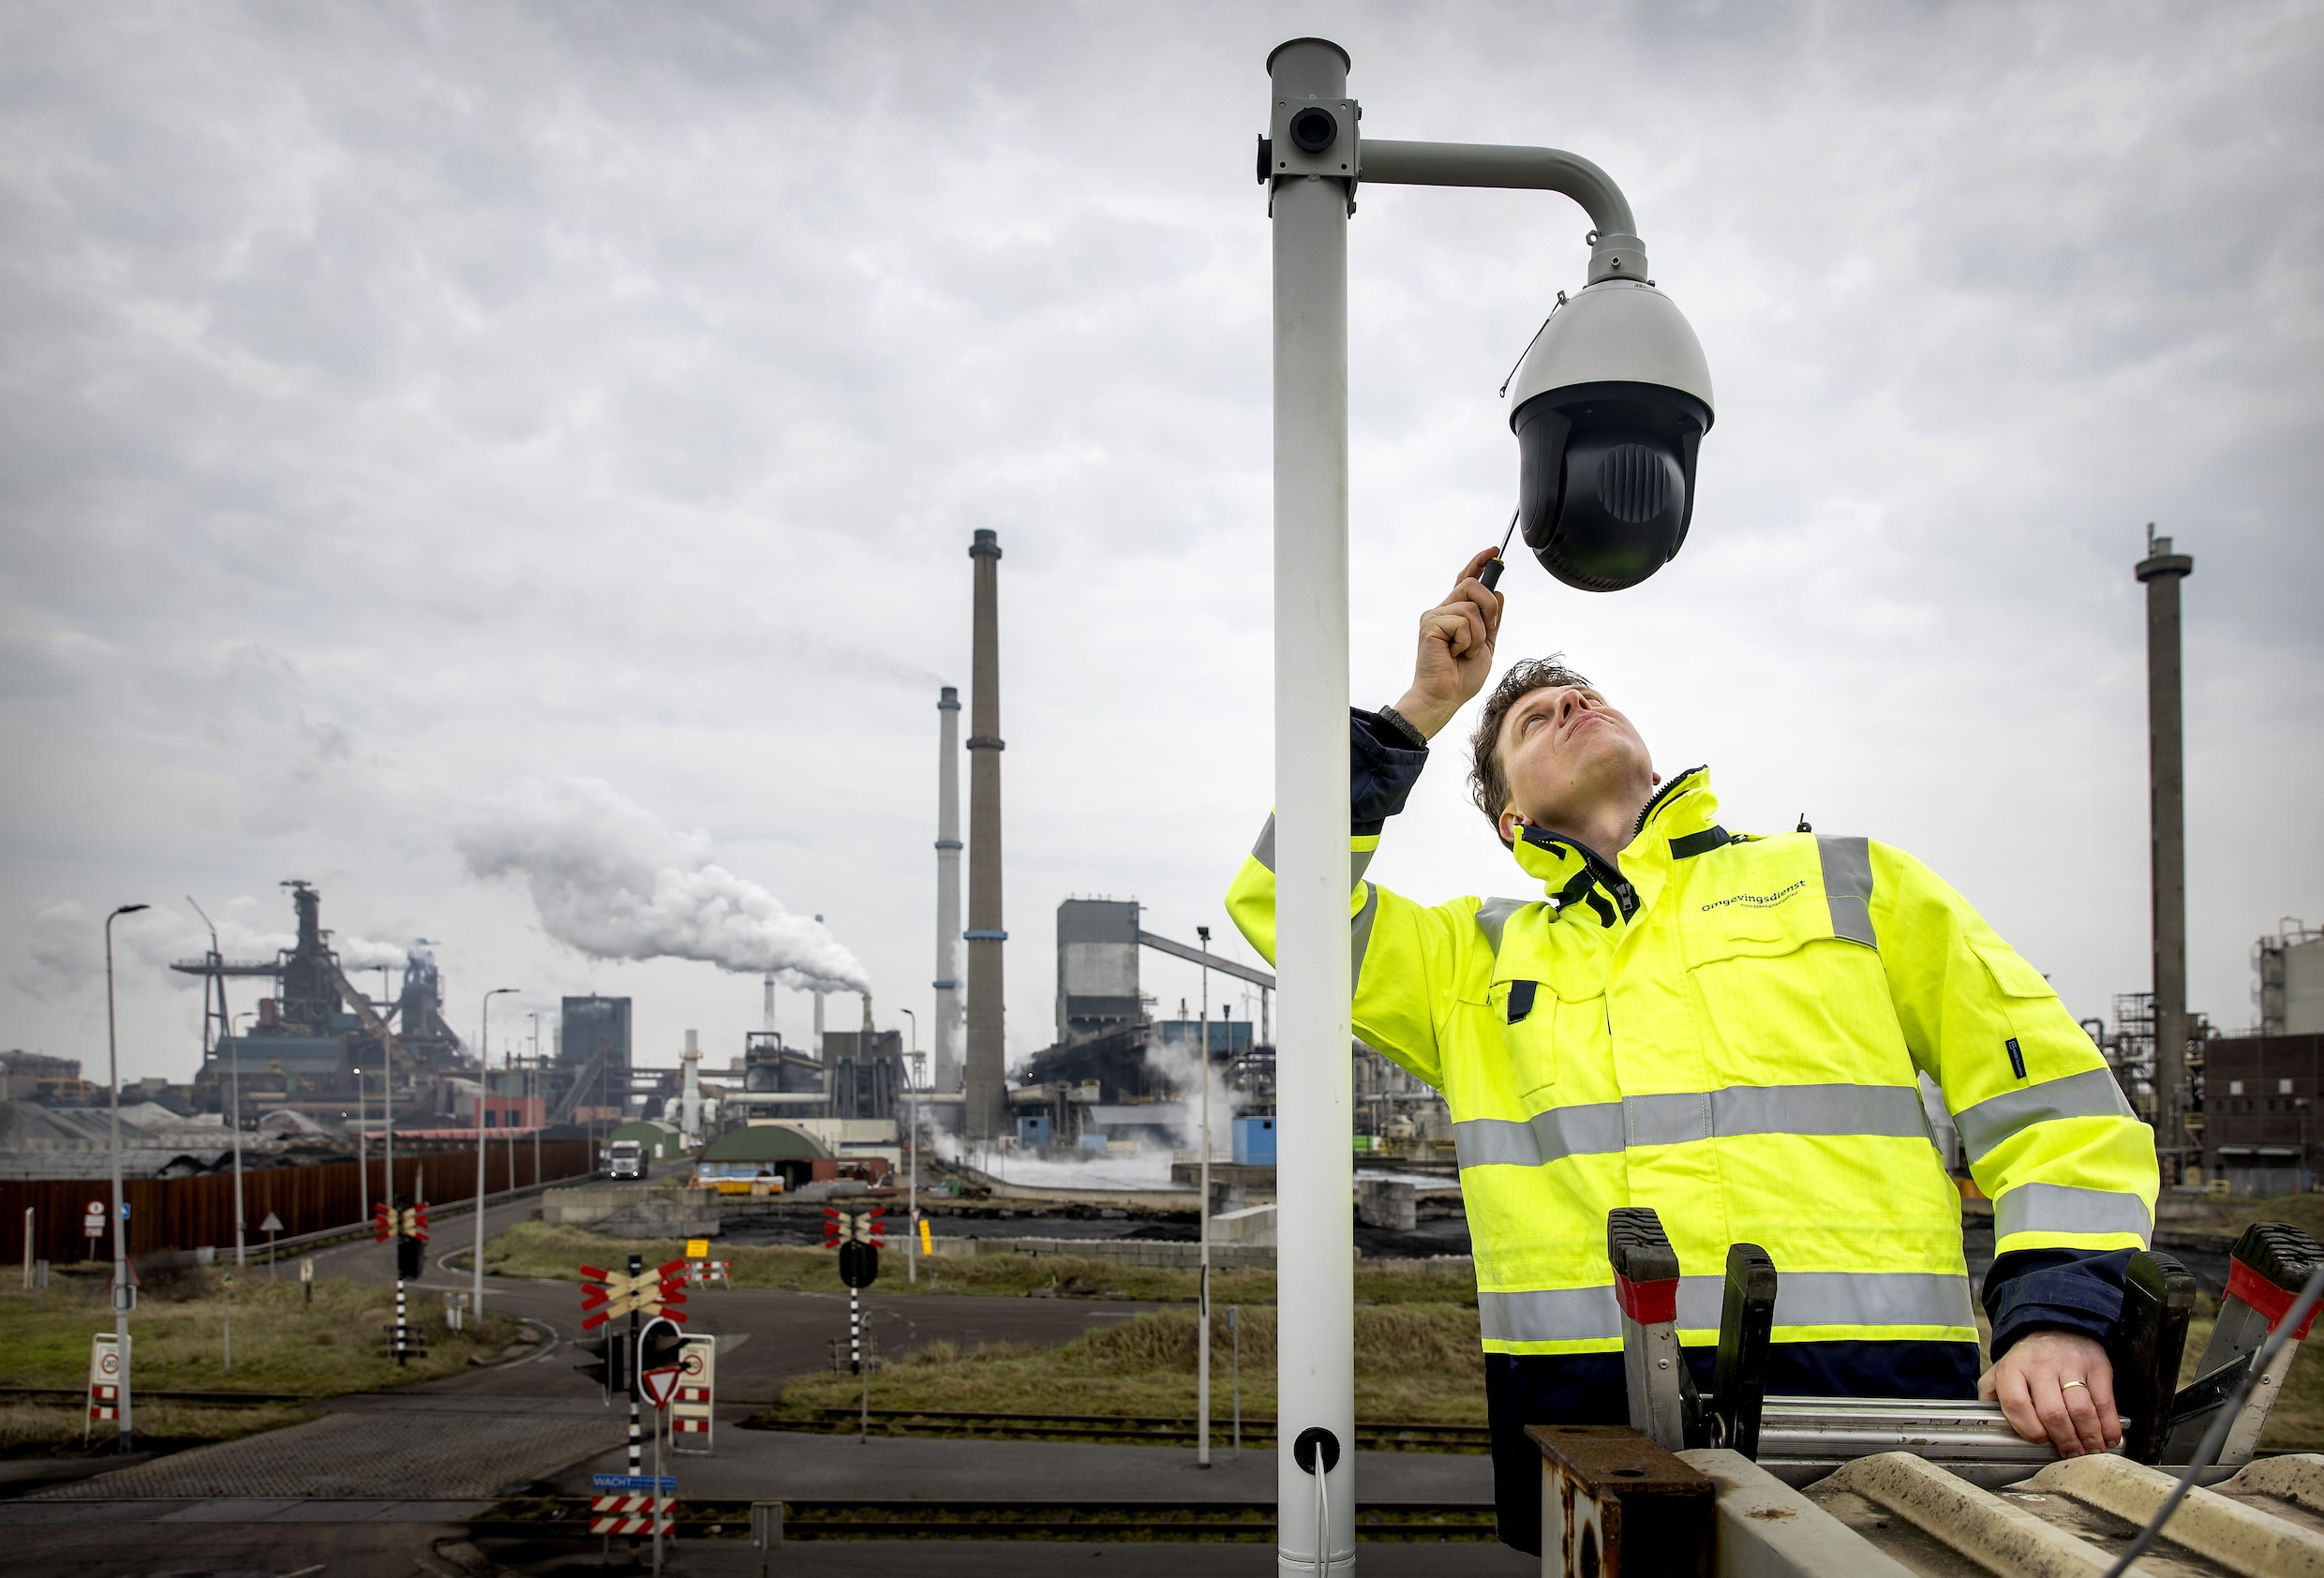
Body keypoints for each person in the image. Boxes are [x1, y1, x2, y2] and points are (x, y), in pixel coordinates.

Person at [1224, 548, 2158, 1554]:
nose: (1571, 705)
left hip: (1884, 1410)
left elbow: (2053, 1100)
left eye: (1586, 697)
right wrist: (1419, 707)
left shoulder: (1844, 882)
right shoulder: (1470, 960)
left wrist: (2058, 1308)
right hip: (1595, 1434)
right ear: (1510, 820)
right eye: (1535, 719)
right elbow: (1285, 901)